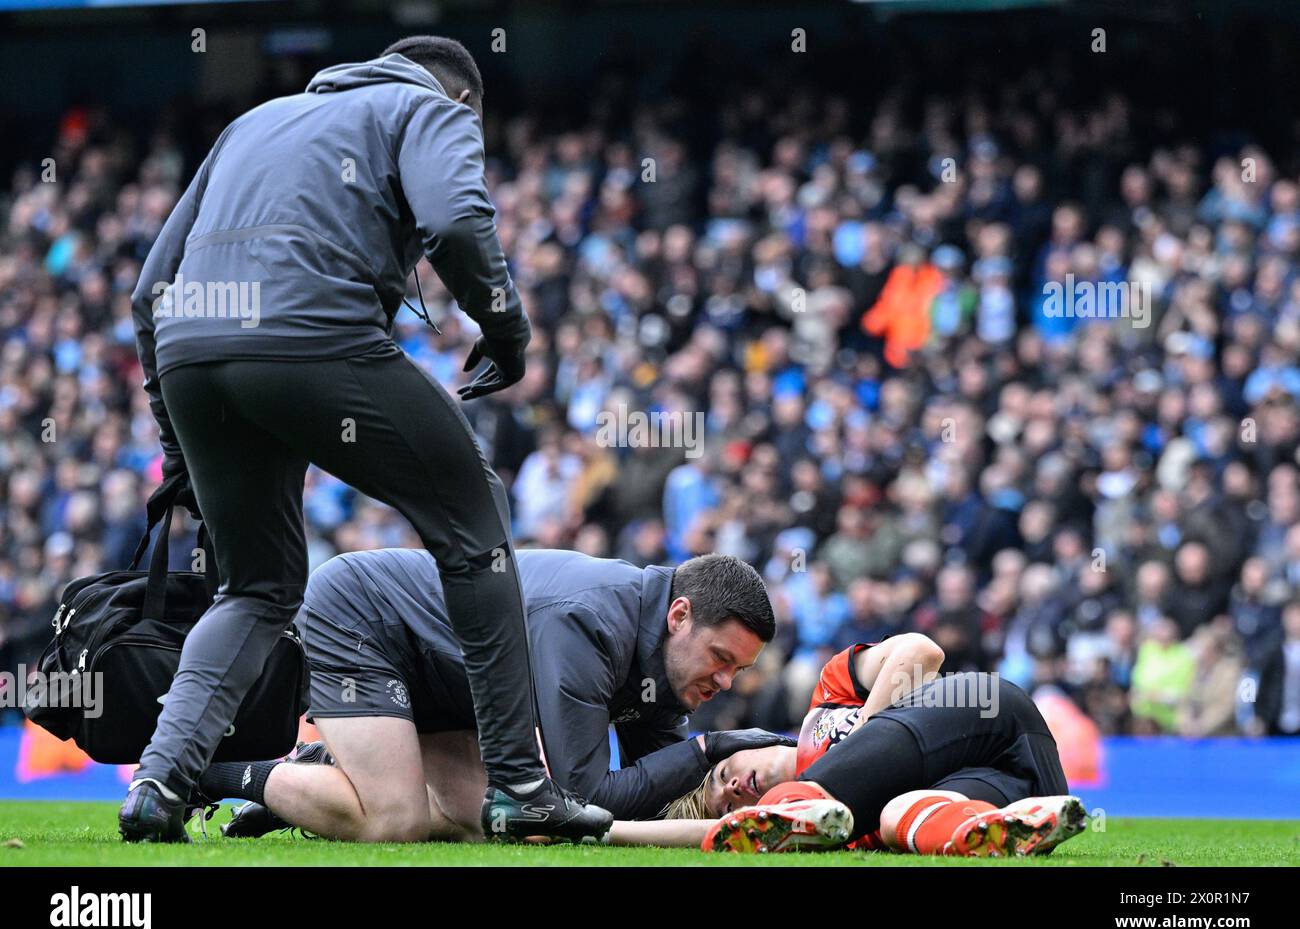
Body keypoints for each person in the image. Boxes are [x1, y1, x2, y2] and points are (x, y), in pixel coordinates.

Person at [121, 35, 601, 843]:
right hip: (313, 337)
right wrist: (507, 332)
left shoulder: (254, 121)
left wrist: (177, 442)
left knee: (257, 588)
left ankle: (157, 784)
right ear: (463, 103)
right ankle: (521, 786)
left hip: (192, 355)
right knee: (474, 523)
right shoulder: (430, 107)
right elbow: (453, 218)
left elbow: (146, 292)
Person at [197, 549, 797, 840]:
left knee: (491, 824)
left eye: (737, 673)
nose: (723, 684)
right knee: (395, 819)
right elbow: (584, 794)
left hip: (448, 678)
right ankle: (220, 773)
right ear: (680, 614)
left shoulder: (665, 653)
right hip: (367, 617)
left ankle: (319, 769)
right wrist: (708, 749)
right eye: (721, 660)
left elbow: (632, 800)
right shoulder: (590, 623)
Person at [669, 642, 1084, 856]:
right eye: (728, 809)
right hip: (1028, 784)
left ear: (746, 745)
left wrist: (869, 729)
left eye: (723, 776)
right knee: (894, 819)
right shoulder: (836, 830)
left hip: (986, 710)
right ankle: (1001, 827)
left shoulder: (829, 692)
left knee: (831, 801)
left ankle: (797, 802)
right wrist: (610, 830)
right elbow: (717, 837)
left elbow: (921, 652)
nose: (735, 790)